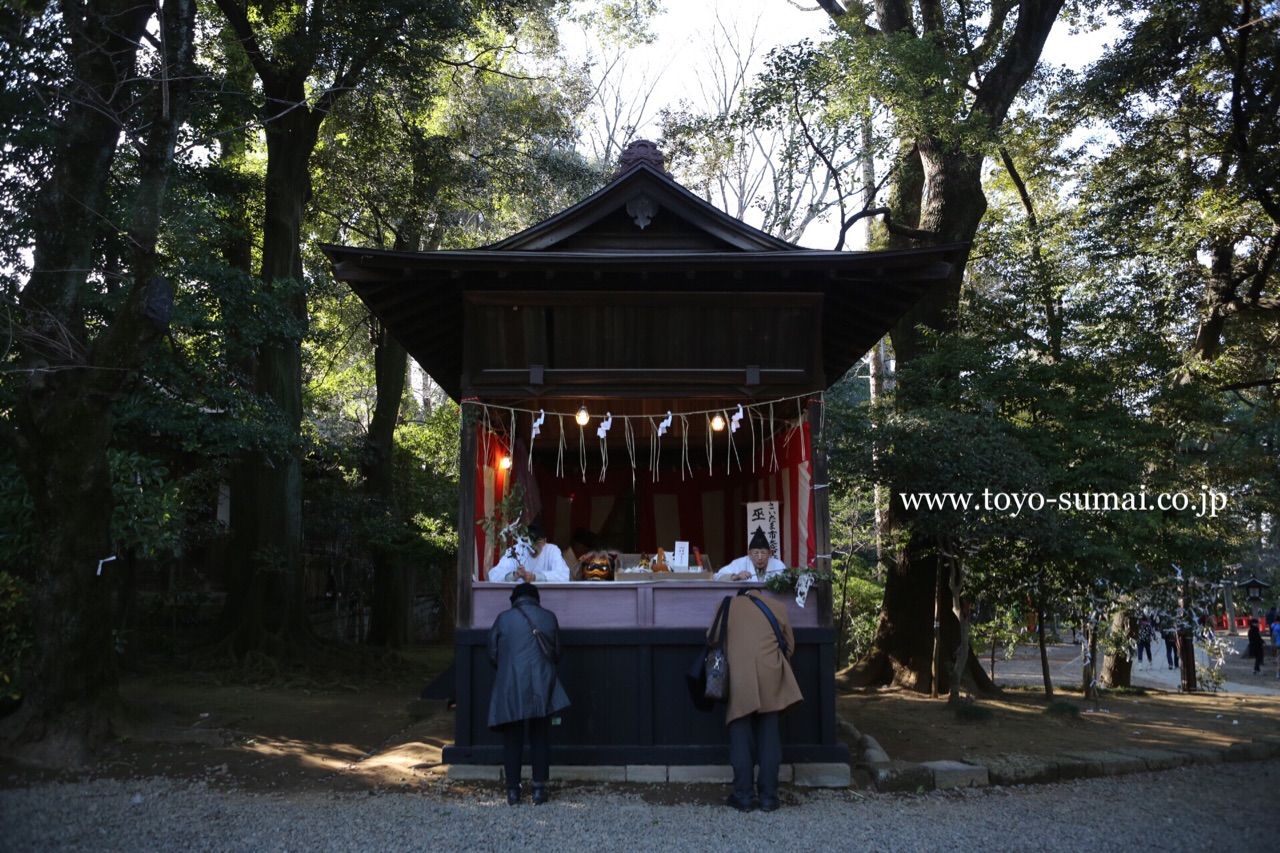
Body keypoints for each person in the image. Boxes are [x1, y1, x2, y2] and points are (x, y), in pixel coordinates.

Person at [708, 587, 803, 812]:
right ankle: (769, 798)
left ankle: (743, 796)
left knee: (740, 734)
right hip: (771, 674)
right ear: (759, 593)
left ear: (741, 594)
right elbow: (789, 645)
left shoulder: (727, 605)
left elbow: (711, 638)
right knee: (770, 735)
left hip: (739, 676)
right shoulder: (777, 607)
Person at [487, 582, 570, 805]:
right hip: (542, 685)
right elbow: (557, 652)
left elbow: (492, 653)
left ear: (514, 600)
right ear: (536, 599)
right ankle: (539, 790)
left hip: (511, 686)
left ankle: (513, 791)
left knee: (513, 739)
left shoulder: (503, 619)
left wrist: (507, 669)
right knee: (540, 738)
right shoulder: (549, 617)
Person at [488, 523, 571, 583]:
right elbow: (494, 575)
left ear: (545, 541)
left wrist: (535, 577)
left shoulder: (552, 550)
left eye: (537, 542)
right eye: (529, 543)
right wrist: (514, 575)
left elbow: (563, 575)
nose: (533, 547)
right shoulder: (515, 550)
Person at [715, 527, 786, 582]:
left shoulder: (778, 565)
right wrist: (736, 576)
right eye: (756, 553)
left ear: (770, 553)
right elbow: (716, 577)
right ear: (749, 553)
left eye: (763, 553)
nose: (760, 557)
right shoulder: (739, 563)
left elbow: (788, 580)